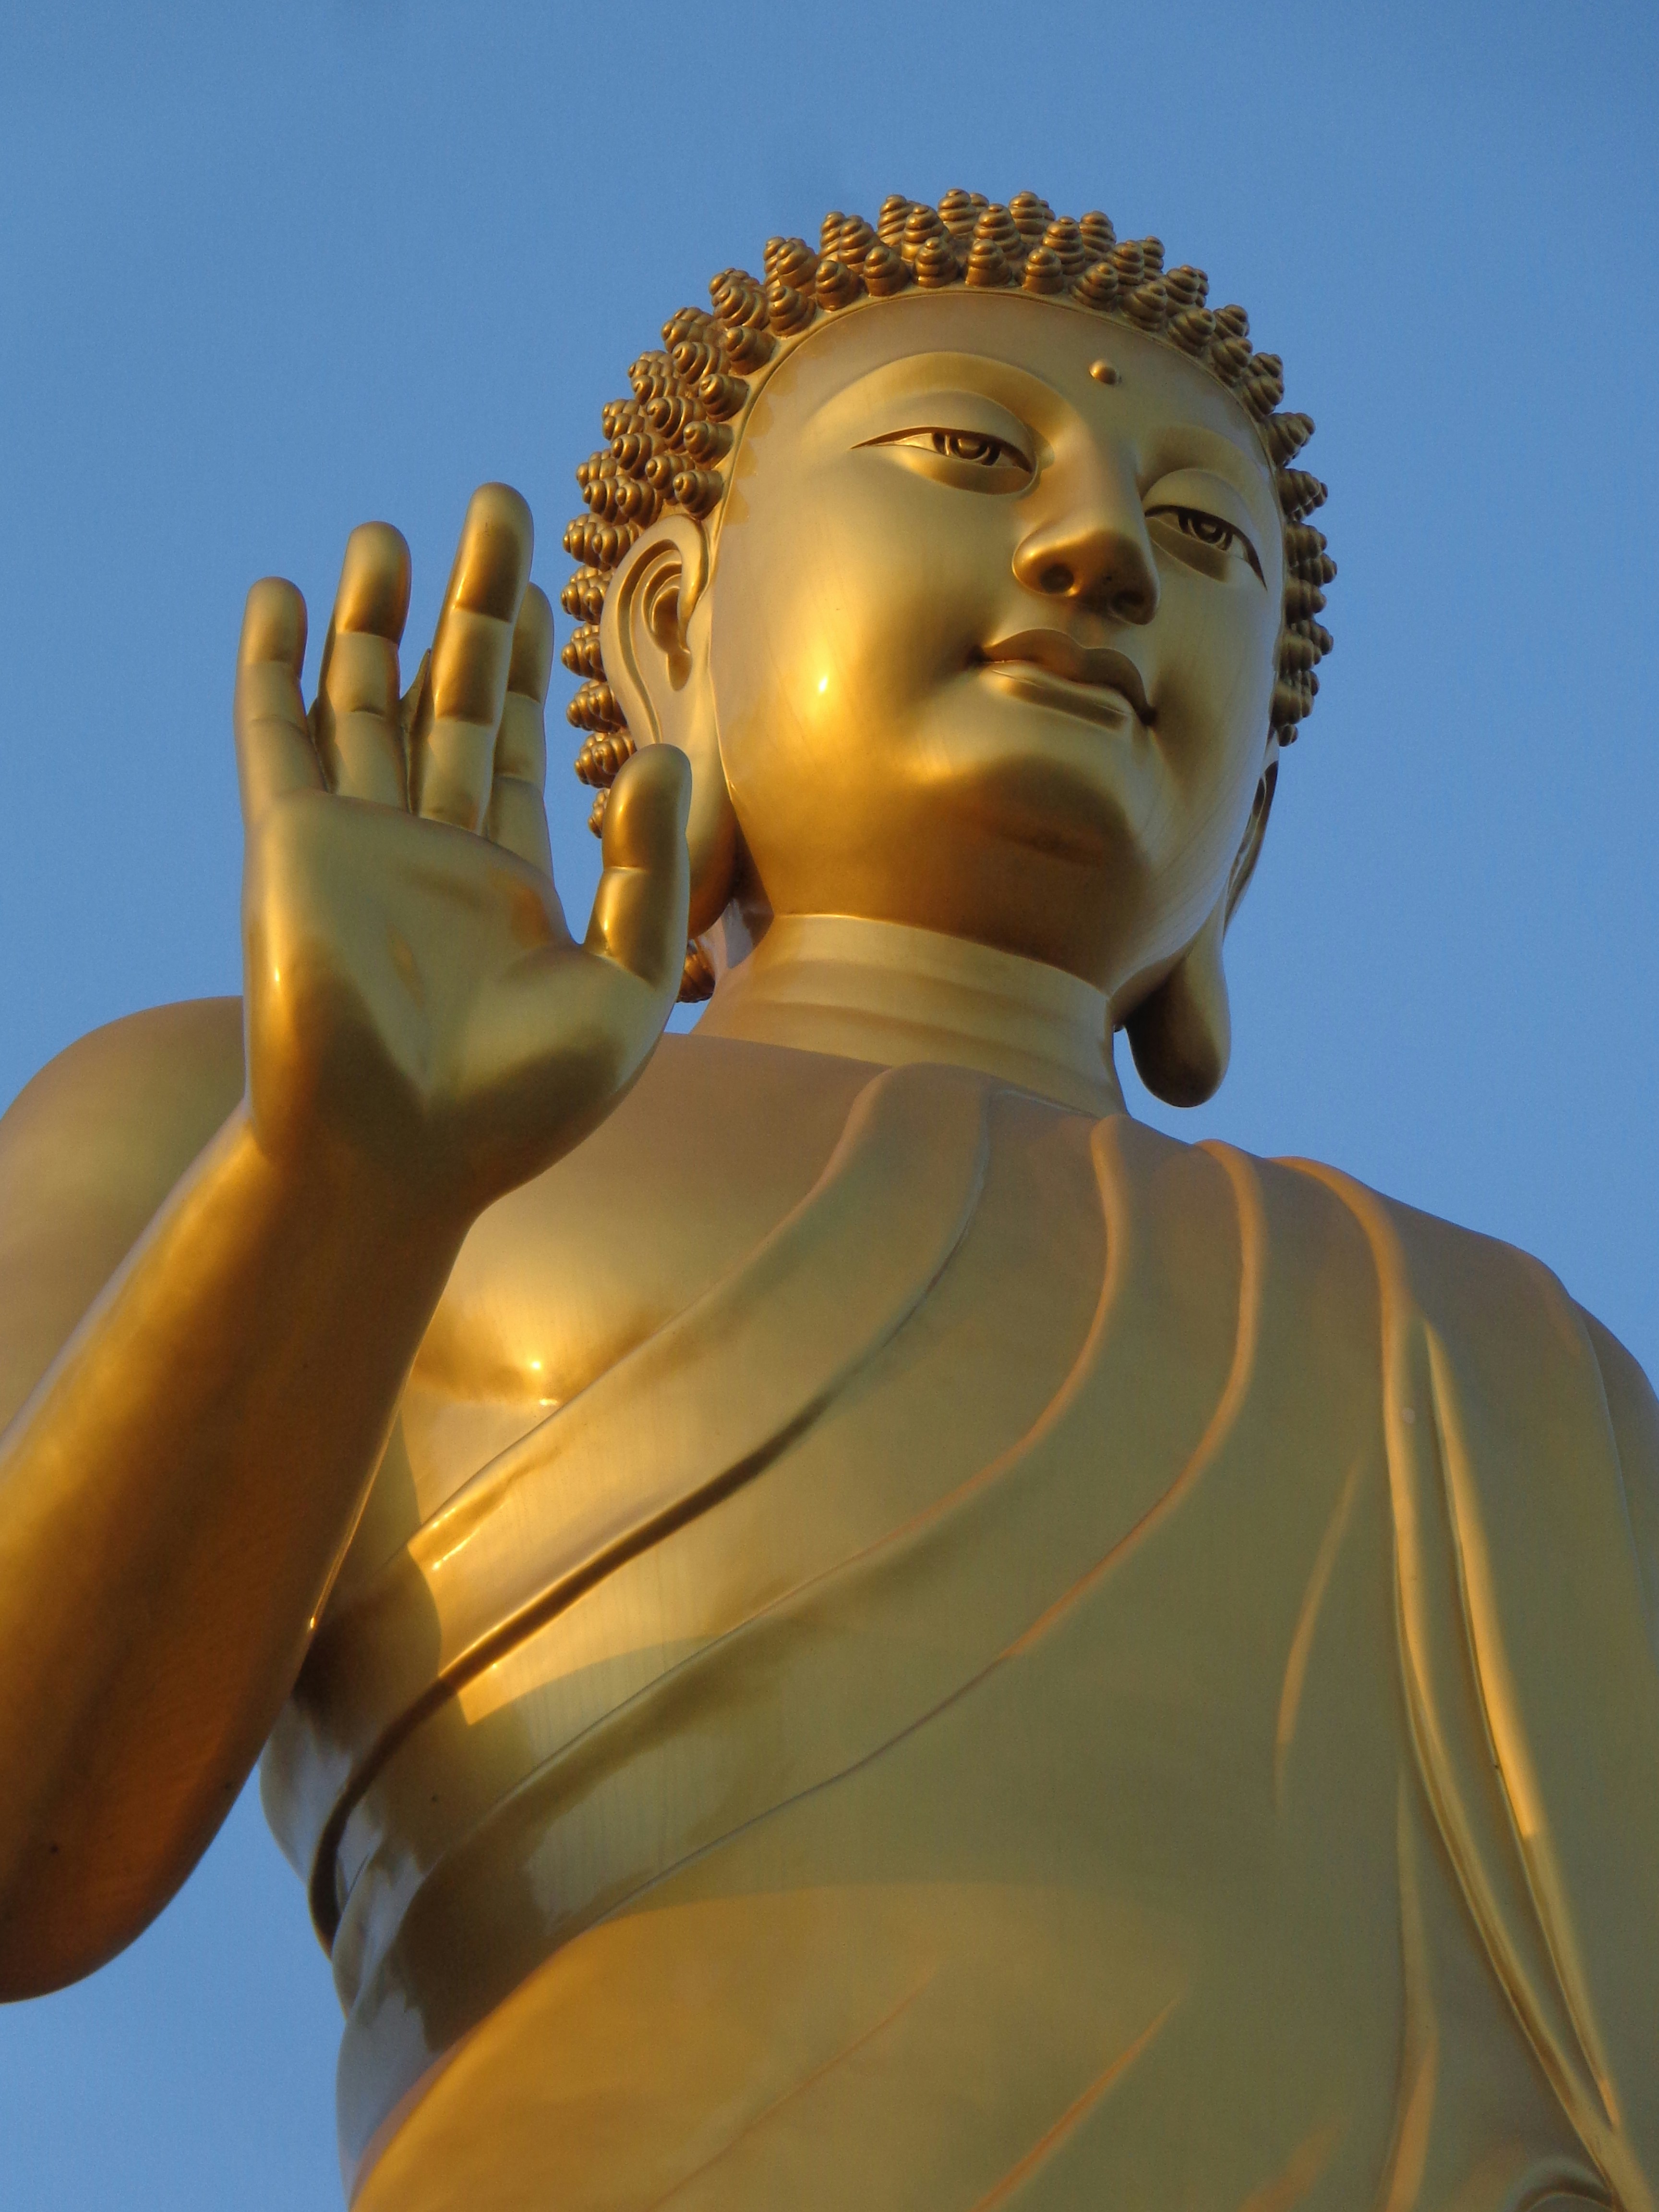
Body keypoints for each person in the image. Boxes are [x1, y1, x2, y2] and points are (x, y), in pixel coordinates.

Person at [0, 190, 1655, 2212]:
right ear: (671, 631)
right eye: (967, 450)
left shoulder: (1505, 1359)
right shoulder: (268, 1118)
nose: (1106, 553)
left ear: (1248, 842)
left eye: (1206, 537)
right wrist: (323, 1189)